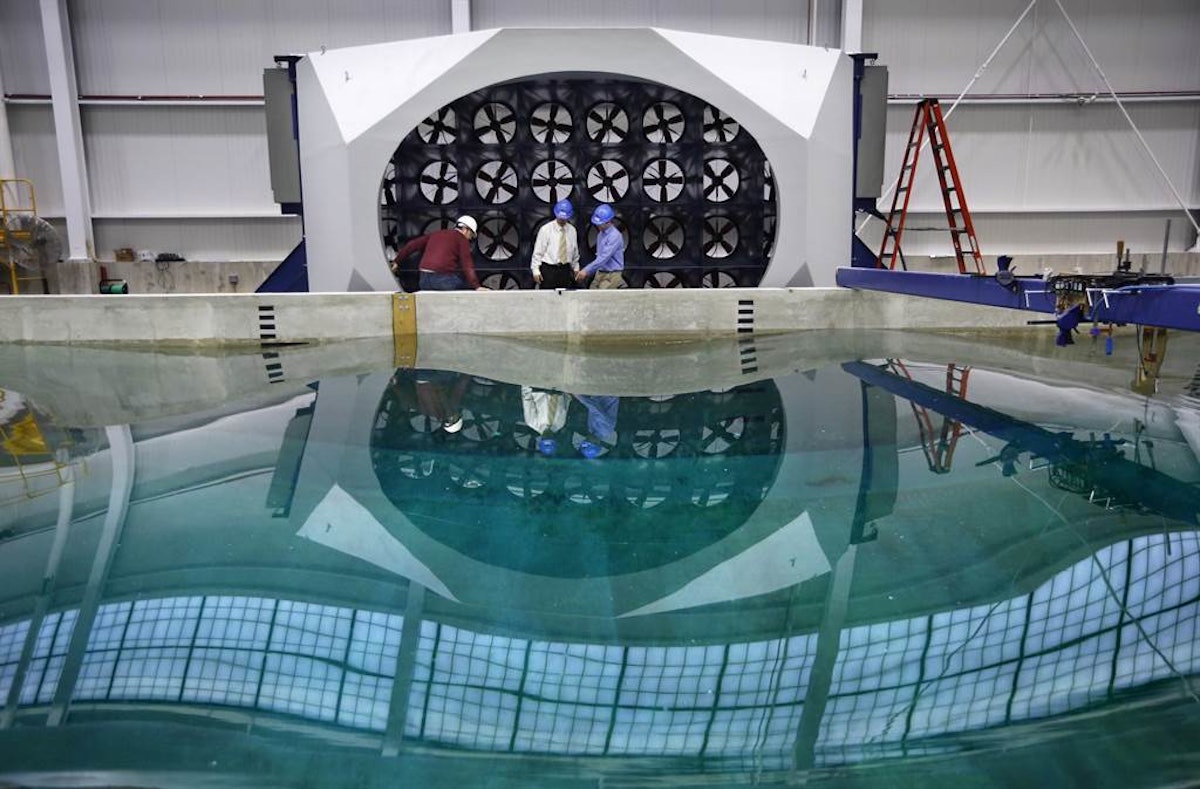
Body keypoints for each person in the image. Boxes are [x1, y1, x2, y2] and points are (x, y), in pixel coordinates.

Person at [390, 216, 486, 291]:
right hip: (443, 281)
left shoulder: (436, 234)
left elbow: (411, 245)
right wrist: (476, 286)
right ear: (466, 229)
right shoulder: (461, 239)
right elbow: (467, 263)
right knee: (467, 287)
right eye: (471, 235)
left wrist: (397, 261)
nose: (470, 238)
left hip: (423, 281)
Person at [530, 199, 580, 289]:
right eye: (560, 217)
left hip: (565, 269)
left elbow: (574, 252)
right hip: (549, 269)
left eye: (565, 218)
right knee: (547, 298)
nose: (562, 220)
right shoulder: (546, 230)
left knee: (565, 297)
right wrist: (535, 270)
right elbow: (538, 252)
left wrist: (576, 268)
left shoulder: (572, 230)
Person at [575, 204, 625, 289]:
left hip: (612, 274)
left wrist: (586, 270)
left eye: (600, 223)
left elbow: (604, 257)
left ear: (608, 222)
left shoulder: (615, 236)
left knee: (601, 298)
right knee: (592, 294)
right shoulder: (601, 234)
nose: (597, 225)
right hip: (600, 272)